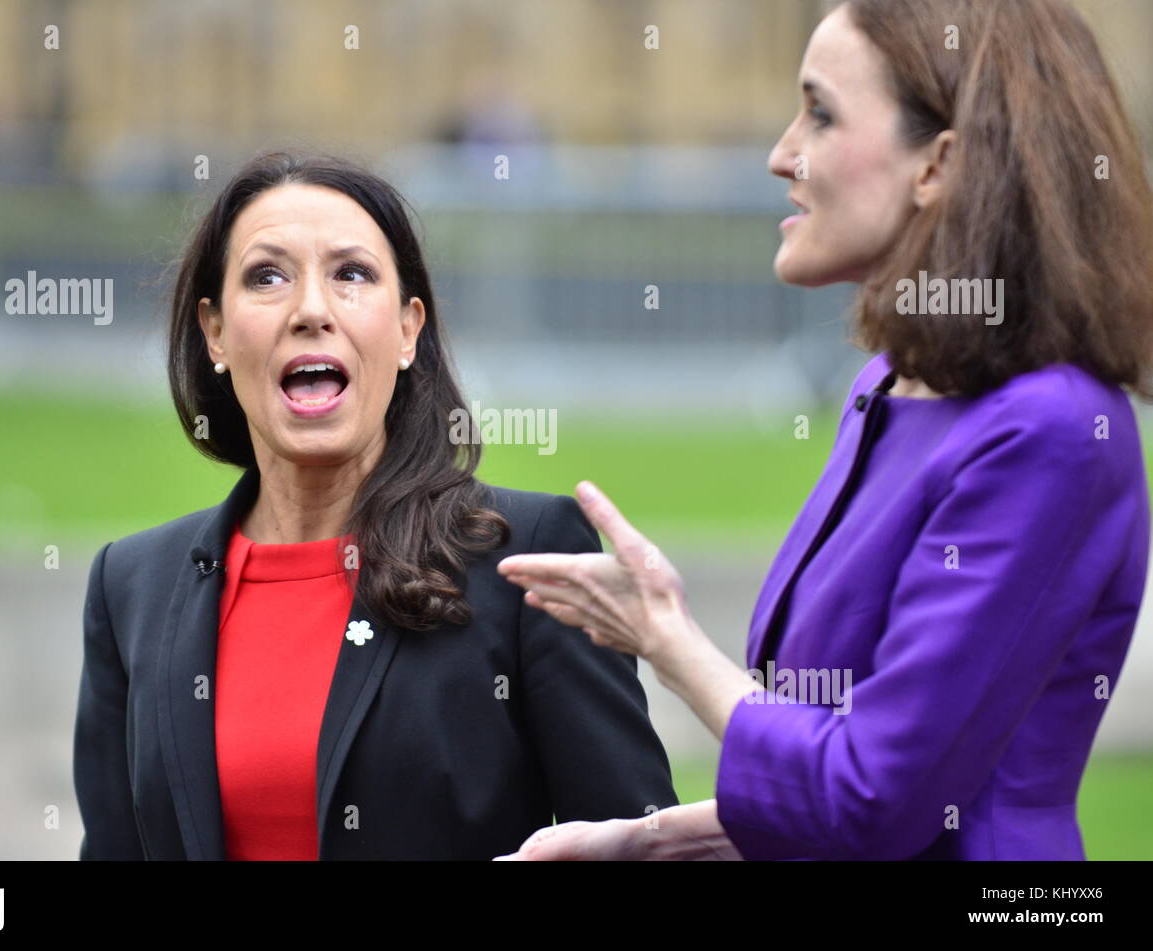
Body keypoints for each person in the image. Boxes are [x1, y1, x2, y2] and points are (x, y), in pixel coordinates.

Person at [496, 0, 1153, 861]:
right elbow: (826, 771)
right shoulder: (890, 382)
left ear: (939, 165)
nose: (780, 155)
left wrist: (668, 639)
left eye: (821, 111)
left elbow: (873, 797)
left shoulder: (1050, 430)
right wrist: (635, 843)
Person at [72, 151, 677, 860]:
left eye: (352, 274)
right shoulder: (133, 584)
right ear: (214, 333)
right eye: (267, 276)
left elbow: (638, 846)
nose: (310, 310)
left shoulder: (527, 560)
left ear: (408, 329)